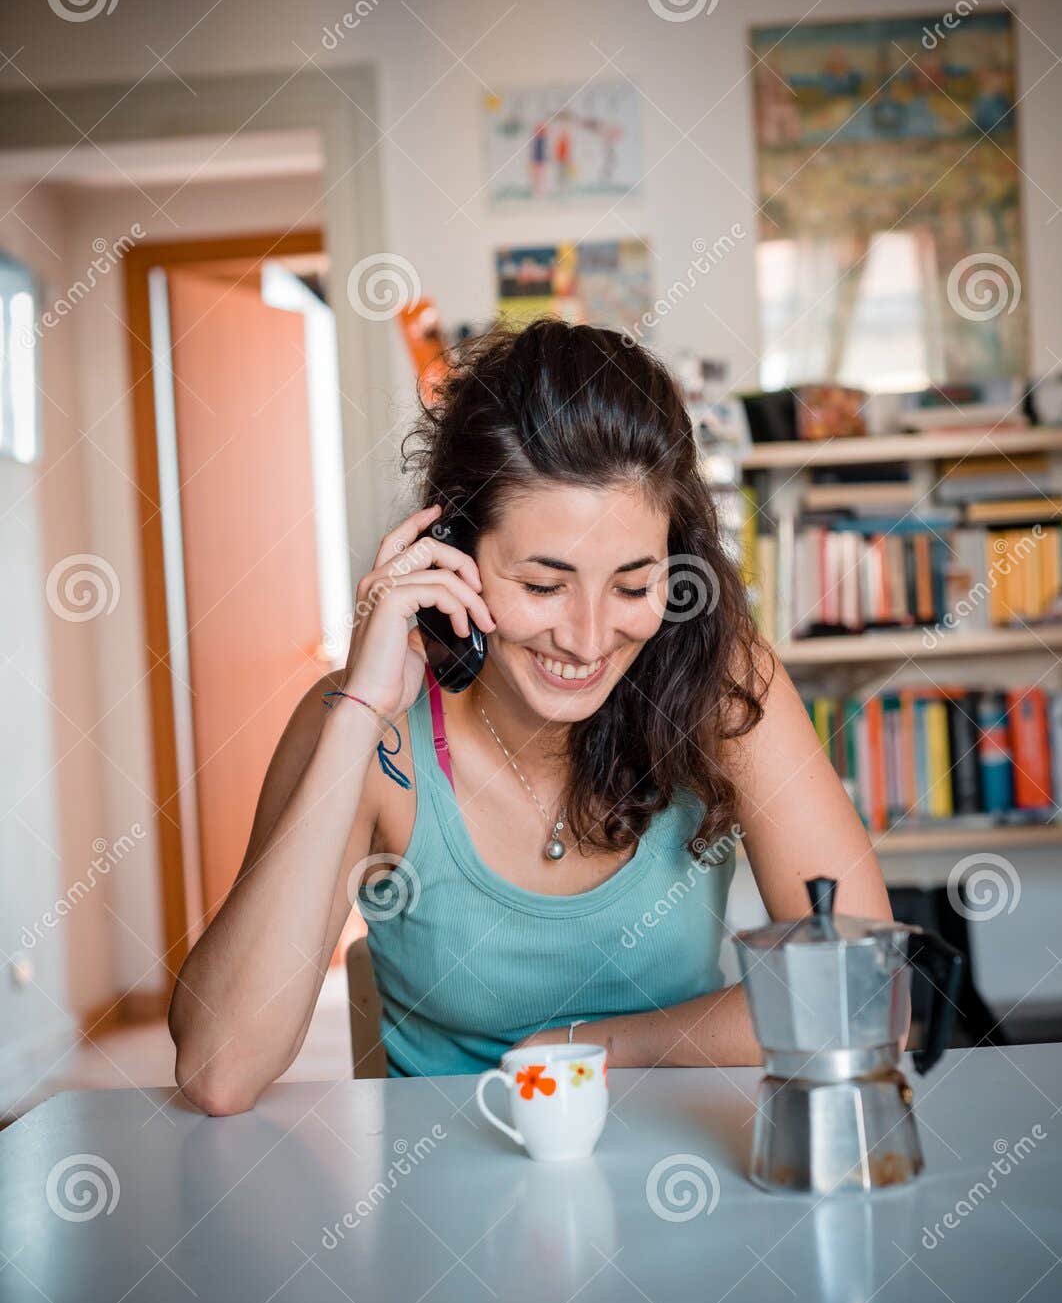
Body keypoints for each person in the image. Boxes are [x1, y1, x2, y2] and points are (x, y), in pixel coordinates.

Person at [170, 319, 891, 1114]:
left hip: (679, 1167)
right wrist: (362, 708)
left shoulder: (720, 684)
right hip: (445, 1198)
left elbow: (864, 997)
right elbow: (217, 1070)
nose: (587, 639)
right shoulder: (366, 727)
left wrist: (596, 1047)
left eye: (631, 584)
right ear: (451, 552)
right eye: (544, 586)